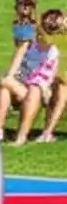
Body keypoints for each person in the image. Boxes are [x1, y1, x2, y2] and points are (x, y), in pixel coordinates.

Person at [0, 11, 60, 146]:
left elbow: (45, 81)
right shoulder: (30, 44)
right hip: (25, 86)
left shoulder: (56, 51)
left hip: (44, 91)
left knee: (34, 88)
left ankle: (21, 137)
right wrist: (10, 80)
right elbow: (14, 70)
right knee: (4, 87)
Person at [38, 10, 67, 142]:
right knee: (58, 92)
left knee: (61, 93)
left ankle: (47, 132)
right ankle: (47, 131)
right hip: (60, 73)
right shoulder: (57, 36)